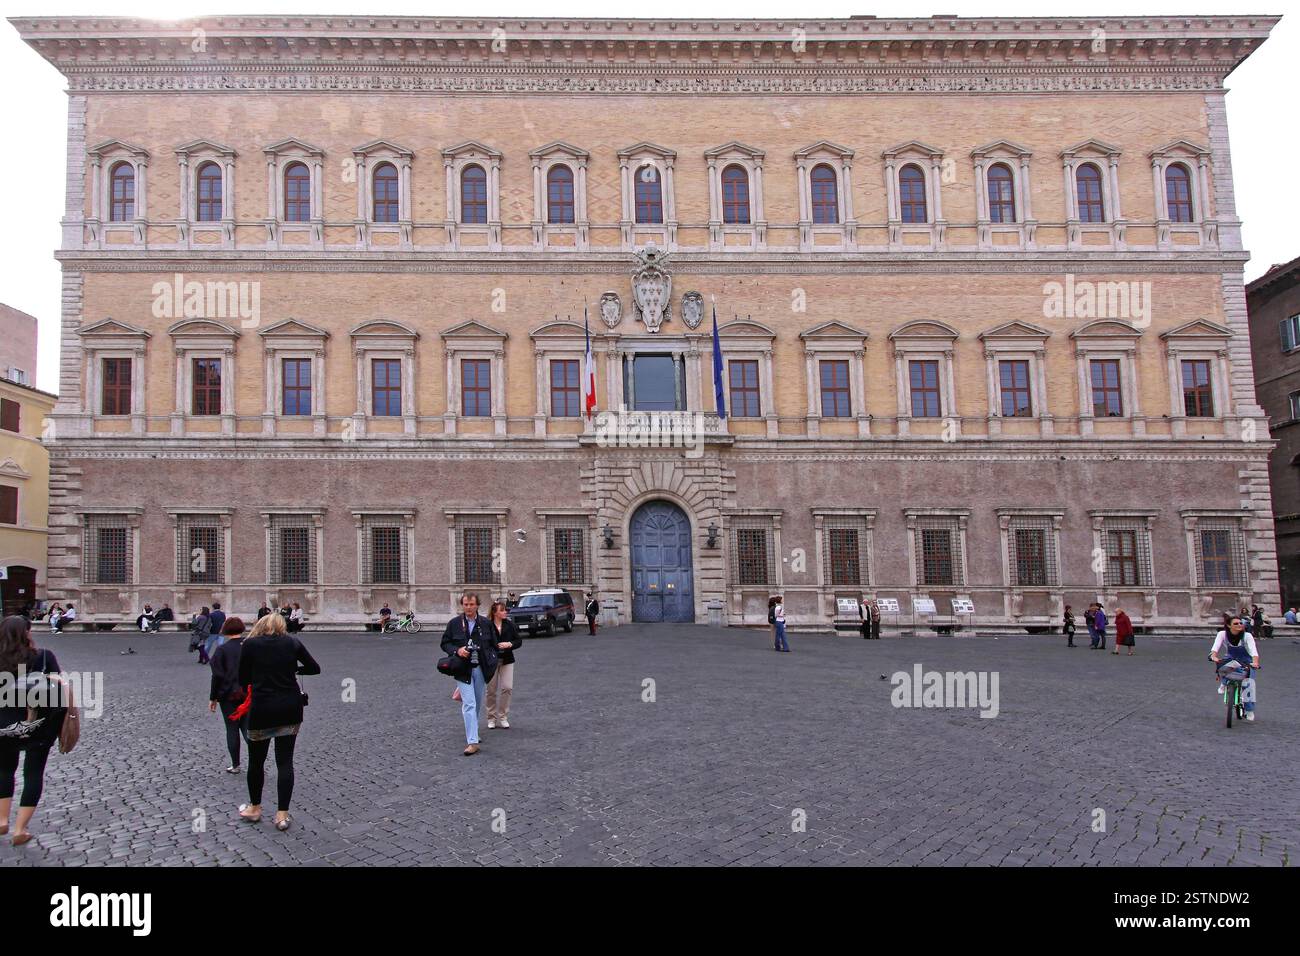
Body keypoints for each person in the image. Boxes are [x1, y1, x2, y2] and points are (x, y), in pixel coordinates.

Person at [233, 612, 320, 830]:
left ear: (261, 625)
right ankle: (282, 815)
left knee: (256, 761)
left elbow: (242, 679)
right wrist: (293, 670)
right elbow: (314, 668)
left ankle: (254, 808)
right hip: (290, 708)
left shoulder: (250, 645)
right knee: (285, 762)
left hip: (262, 708)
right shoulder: (292, 642)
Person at [0, 614, 71, 846]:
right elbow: (58, 687)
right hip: (38, 726)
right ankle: (20, 829)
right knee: (33, 774)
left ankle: (1, 820)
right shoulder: (42, 657)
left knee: (4, 771)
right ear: (27, 633)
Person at [440, 592, 499, 756]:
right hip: (462, 669)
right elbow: (445, 643)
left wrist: (492, 661)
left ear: (477, 605)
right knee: (469, 703)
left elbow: (494, 645)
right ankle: (472, 742)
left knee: (477, 702)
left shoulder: (486, 624)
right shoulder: (454, 624)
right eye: (465, 604)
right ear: (462, 605)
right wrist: (457, 650)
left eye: (471, 604)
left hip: (480, 668)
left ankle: (474, 732)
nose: (468, 607)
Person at [208, 617, 249, 774]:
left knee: (232, 729)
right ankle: (256, 761)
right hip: (248, 693)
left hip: (229, 695)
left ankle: (236, 764)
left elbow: (217, 676)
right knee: (247, 727)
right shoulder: (249, 646)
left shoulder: (222, 650)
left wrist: (213, 697)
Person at [1210, 616, 1260, 721]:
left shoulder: (1247, 636)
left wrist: (1255, 662)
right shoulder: (1222, 634)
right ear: (1229, 625)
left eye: (1240, 623)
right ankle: (1224, 683)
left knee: (1248, 684)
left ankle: (1249, 710)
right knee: (1222, 666)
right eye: (1236, 623)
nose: (1239, 625)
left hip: (1246, 660)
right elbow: (1215, 647)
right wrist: (1213, 656)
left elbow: (1253, 650)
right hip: (1230, 659)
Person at [485, 600, 523, 730]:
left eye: (505, 610)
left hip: (507, 660)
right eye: (502, 610)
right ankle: (491, 718)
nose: (505, 612)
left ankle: (503, 716)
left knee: (507, 688)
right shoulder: (487, 625)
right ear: (495, 613)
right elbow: (484, 642)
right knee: (491, 691)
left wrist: (510, 644)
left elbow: (519, 640)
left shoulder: (510, 625)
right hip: (491, 661)